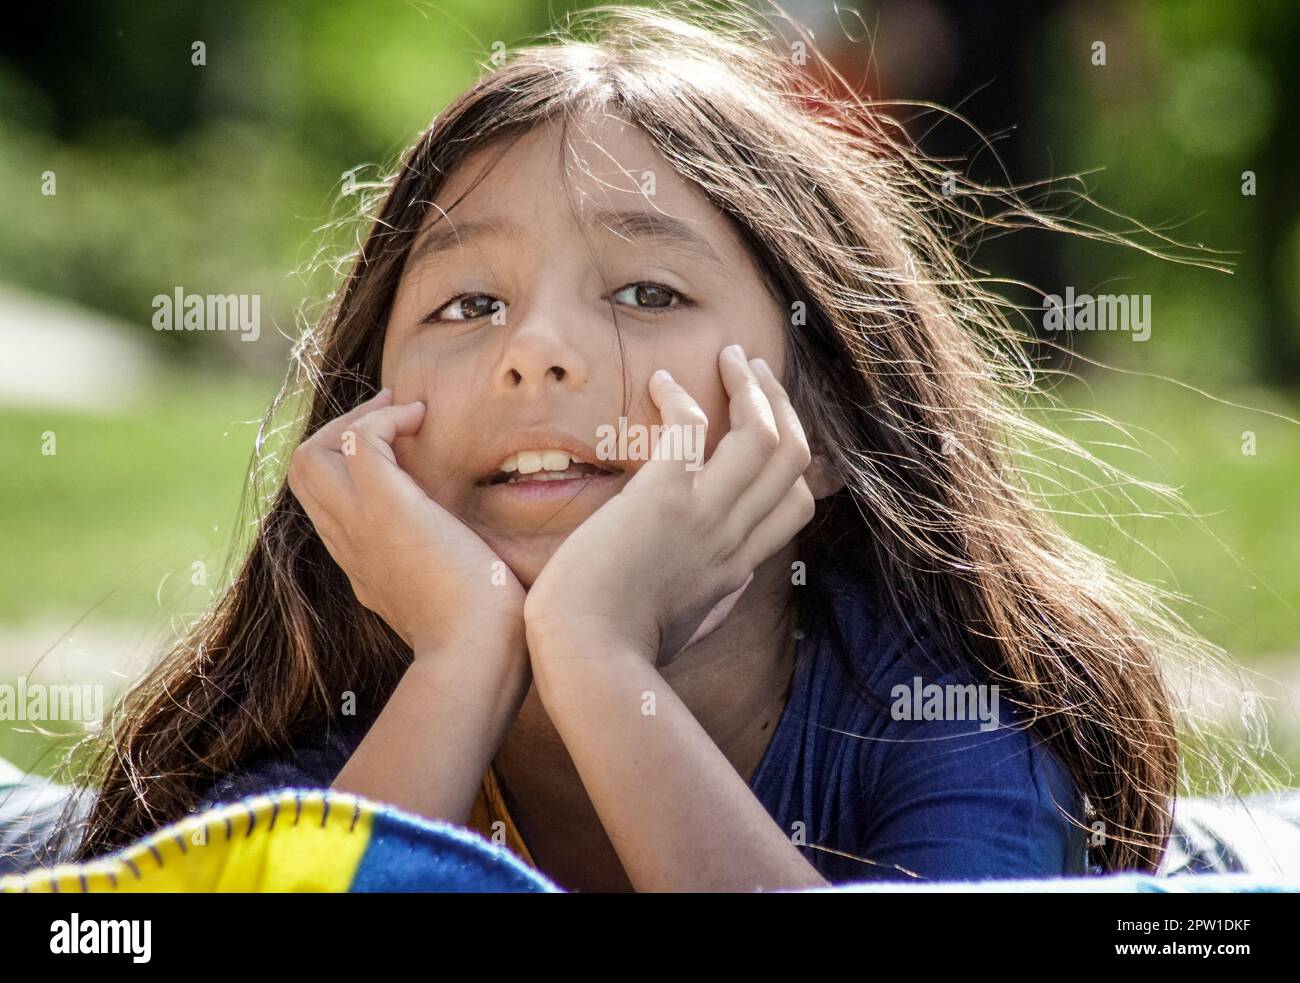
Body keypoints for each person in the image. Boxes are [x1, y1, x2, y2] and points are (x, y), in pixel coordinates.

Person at [42, 2, 1270, 891]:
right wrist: (465, 653)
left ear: (826, 422)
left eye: (645, 292)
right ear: (368, 427)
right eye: (468, 306)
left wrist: (591, 647)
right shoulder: (330, 713)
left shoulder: (952, 712)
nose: (539, 354)